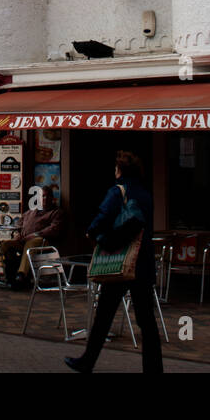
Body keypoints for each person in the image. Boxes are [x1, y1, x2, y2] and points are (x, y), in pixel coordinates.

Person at [65, 151, 162, 373]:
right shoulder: (146, 194)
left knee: (104, 315)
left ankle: (87, 361)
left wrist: (93, 233)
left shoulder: (118, 191)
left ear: (119, 171)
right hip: (143, 260)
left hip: (120, 259)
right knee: (147, 321)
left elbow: (103, 216)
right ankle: (154, 369)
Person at [0, 186, 64, 289]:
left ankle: (21, 274)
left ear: (52, 198)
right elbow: (19, 223)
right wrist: (17, 234)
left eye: (47, 196)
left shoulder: (55, 212)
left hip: (42, 241)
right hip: (23, 240)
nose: (45, 199)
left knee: (31, 244)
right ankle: (8, 274)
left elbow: (54, 229)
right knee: (6, 244)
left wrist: (35, 234)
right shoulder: (31, 211)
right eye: (42, 196)